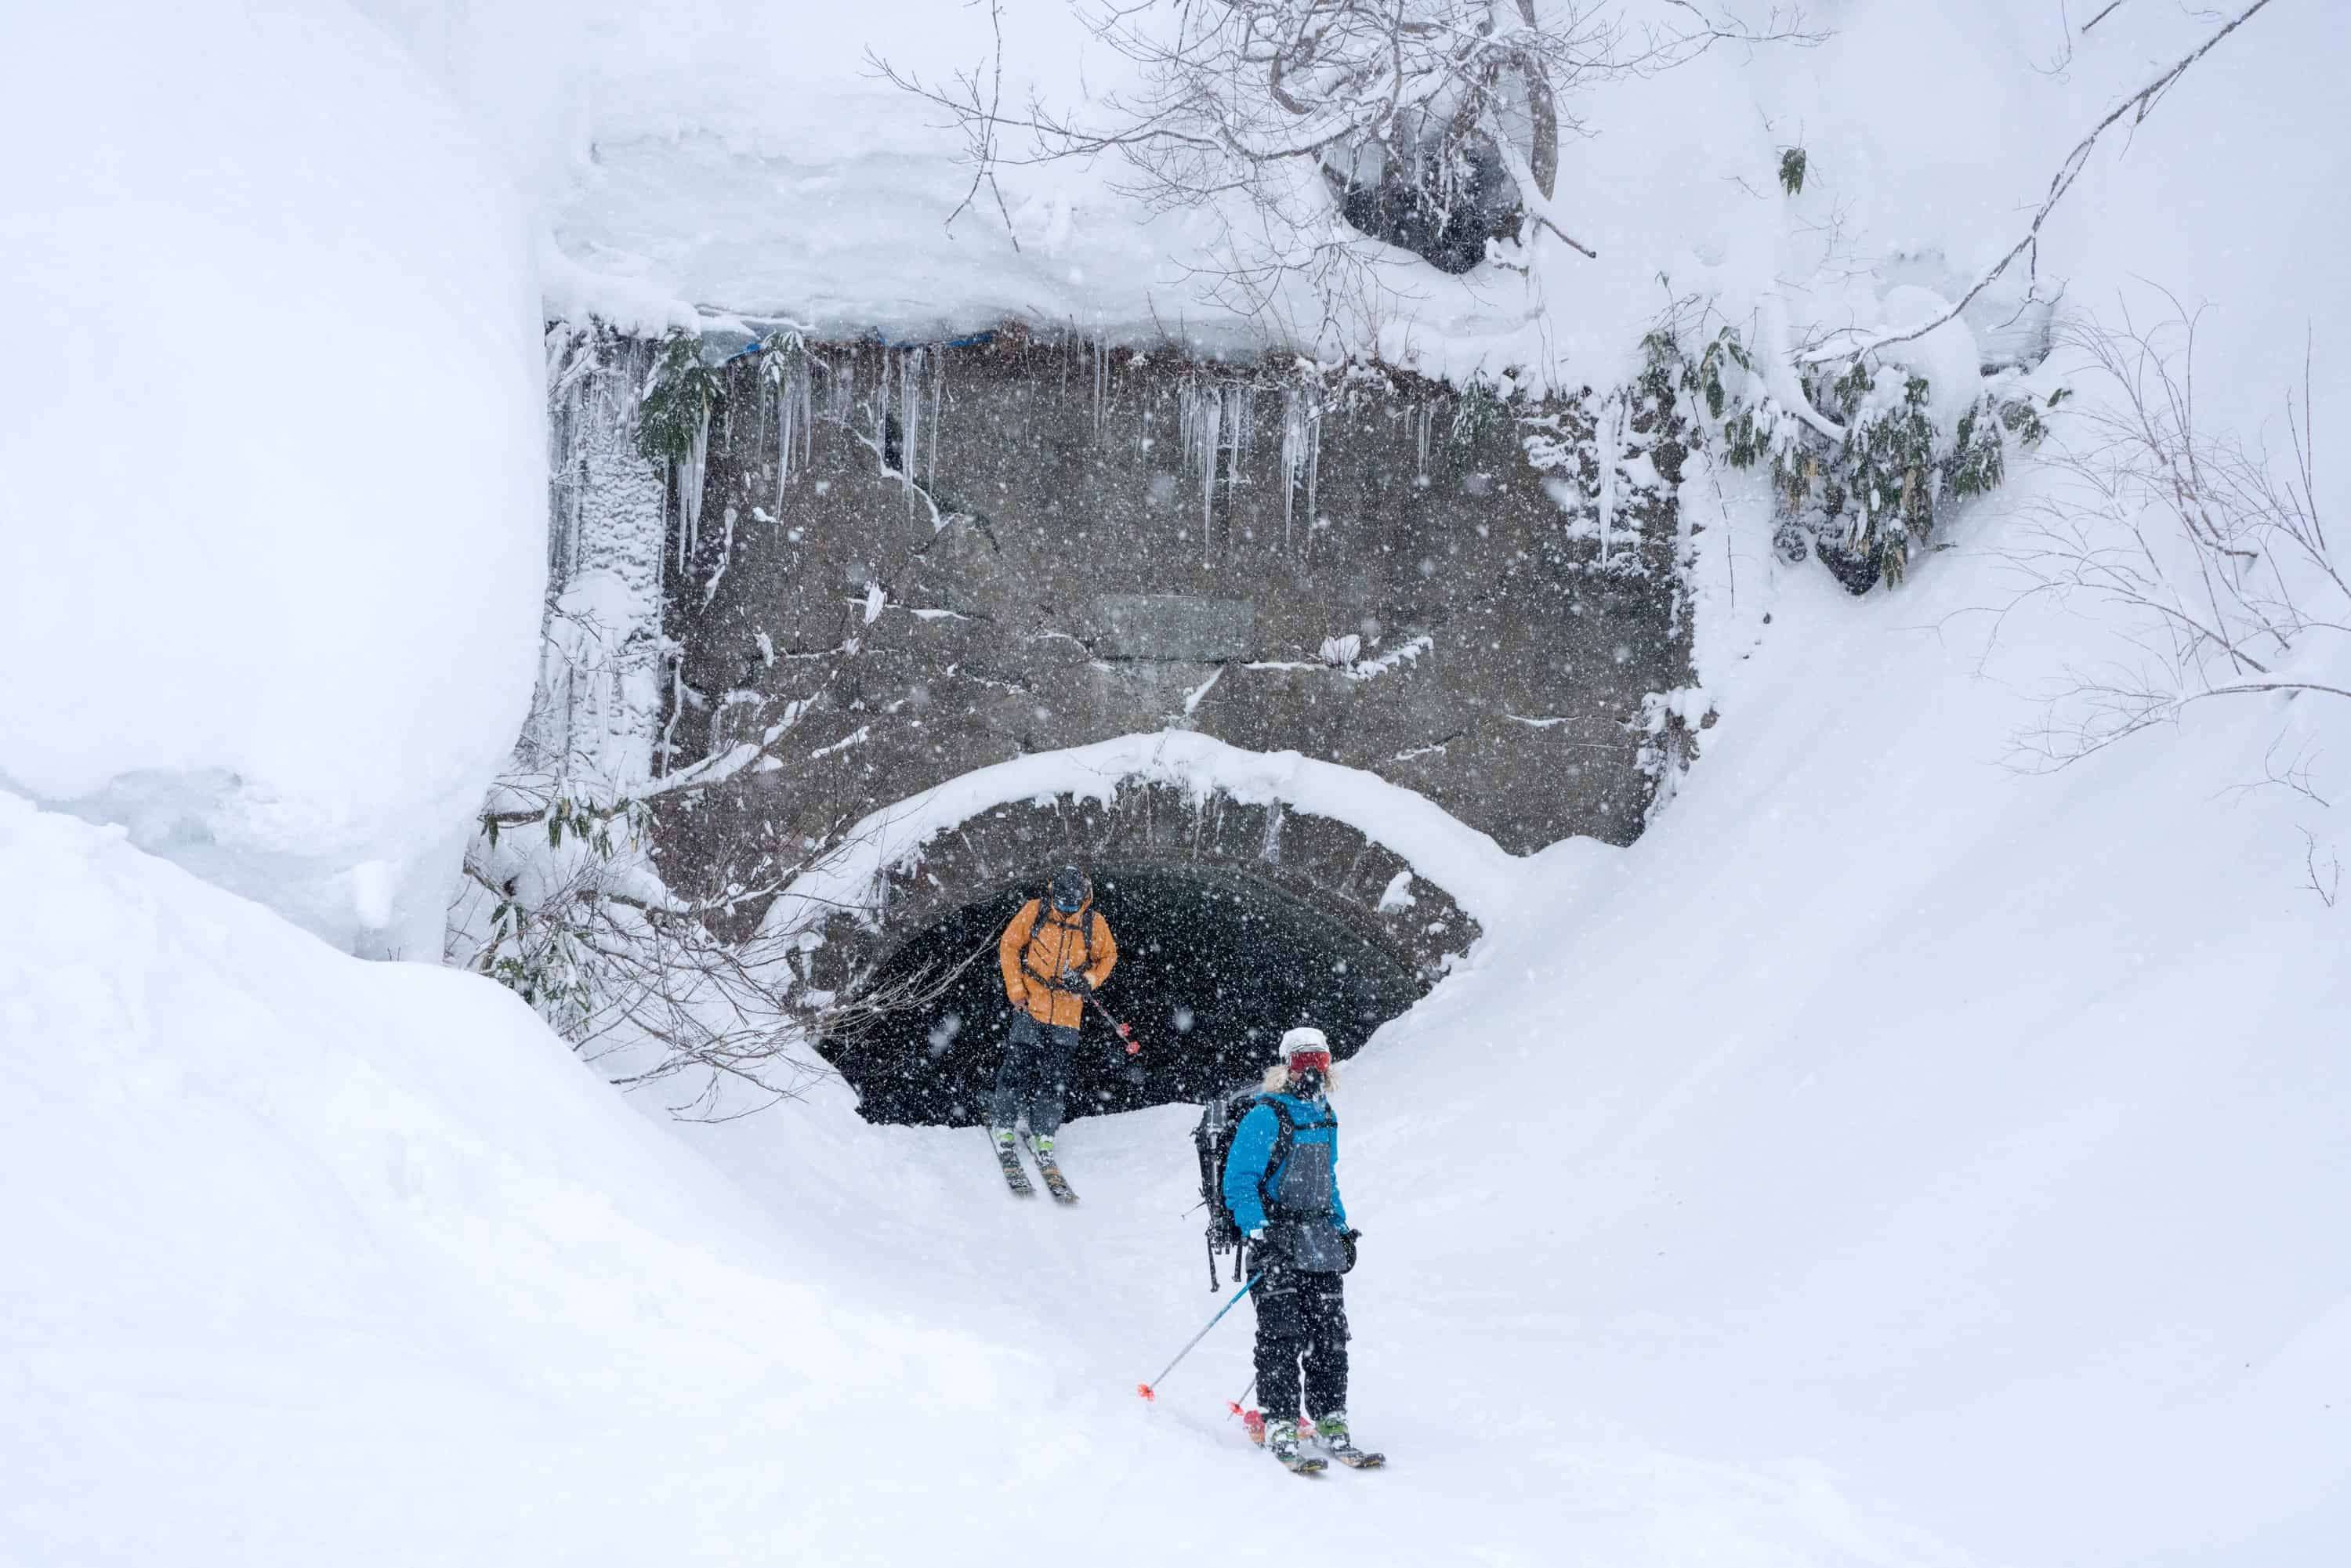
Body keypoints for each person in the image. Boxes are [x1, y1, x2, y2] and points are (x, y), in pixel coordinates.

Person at [1221, 1026, 1379, 1470]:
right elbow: (1239, 1182)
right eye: (1303, 1061)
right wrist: (1258, 1231)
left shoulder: (1325, 1114)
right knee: (1281, 1335)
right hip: (1275, 1242)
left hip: (1320, 1242)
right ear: (1287, 1065)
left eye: (1320, 1061)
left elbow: (1327, 1180)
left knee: (1330, 1336)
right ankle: (1281, 1422)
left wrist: (1342, 1228)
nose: (1312, 1070)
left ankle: (1331, 1419)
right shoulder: (1265, 1115)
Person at [989, 865, 1118, 1158]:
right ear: (1053, 894)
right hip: (1031, 1003)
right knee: (1016, 1066)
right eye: (1061, 904)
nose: (1066, 909)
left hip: (1068, 1013)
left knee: (1054, 1076)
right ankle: (1004, 1123)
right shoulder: (1035, 912)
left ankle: (1045, 1133)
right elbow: (1009, 946)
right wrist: (1016, 991)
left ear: (1083, 897)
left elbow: (1108, 956)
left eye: (1072, 905)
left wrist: (1088, 980)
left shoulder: (1093, 923)